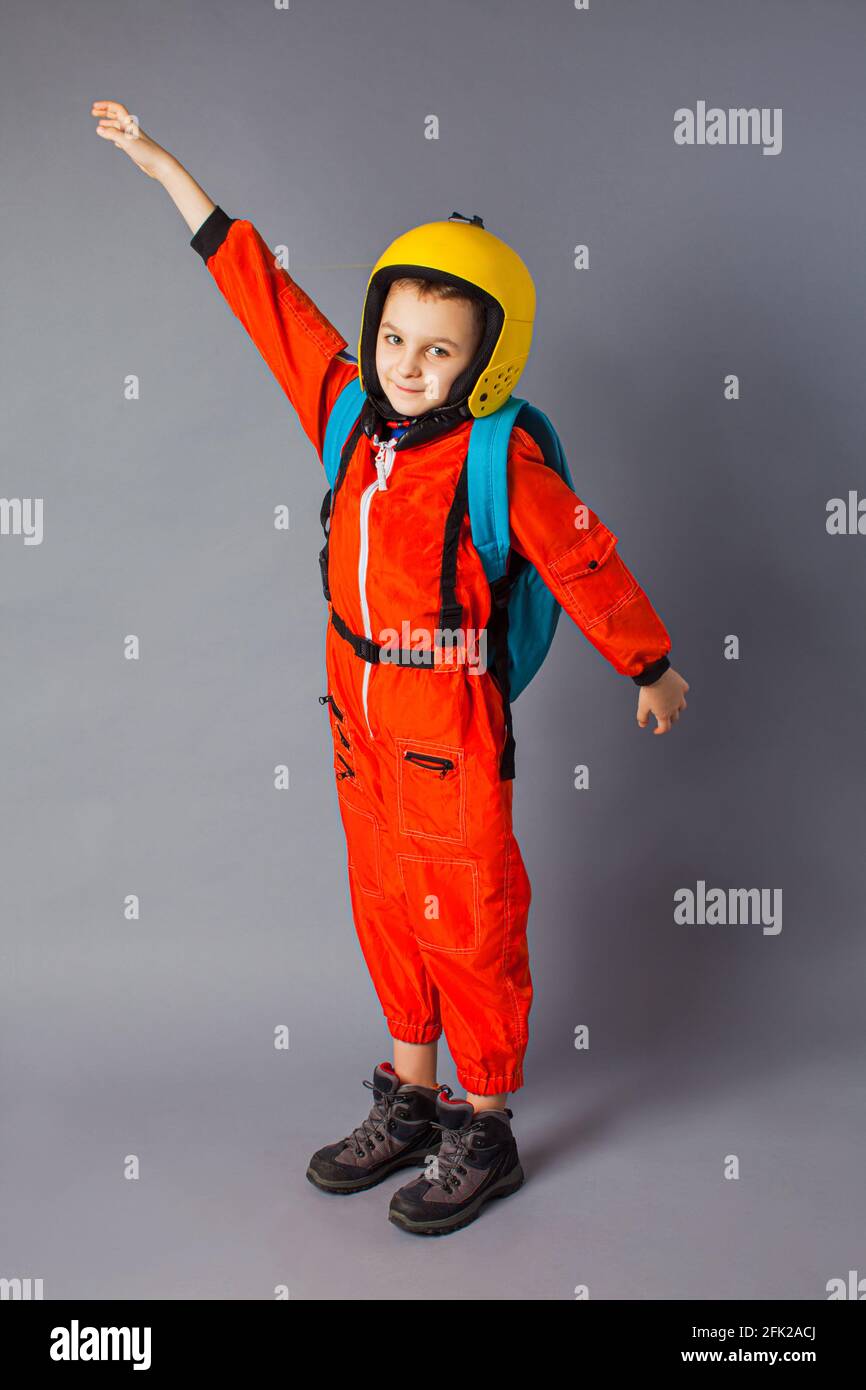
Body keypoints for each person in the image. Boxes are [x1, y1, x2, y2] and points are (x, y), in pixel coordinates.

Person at [91, 100, 689, 1237]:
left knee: (468, 913)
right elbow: (265, 301)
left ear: (484, 360)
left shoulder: (493, 455)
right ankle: (411, 1096)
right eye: (396, 337)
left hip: (445, 707)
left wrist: (647, 663)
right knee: (384, 905)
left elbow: (579, 555)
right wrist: (164, 167)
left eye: (439, 348)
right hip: (356, 707)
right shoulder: (349, 415)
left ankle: (485, 1120)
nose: (408, 364)